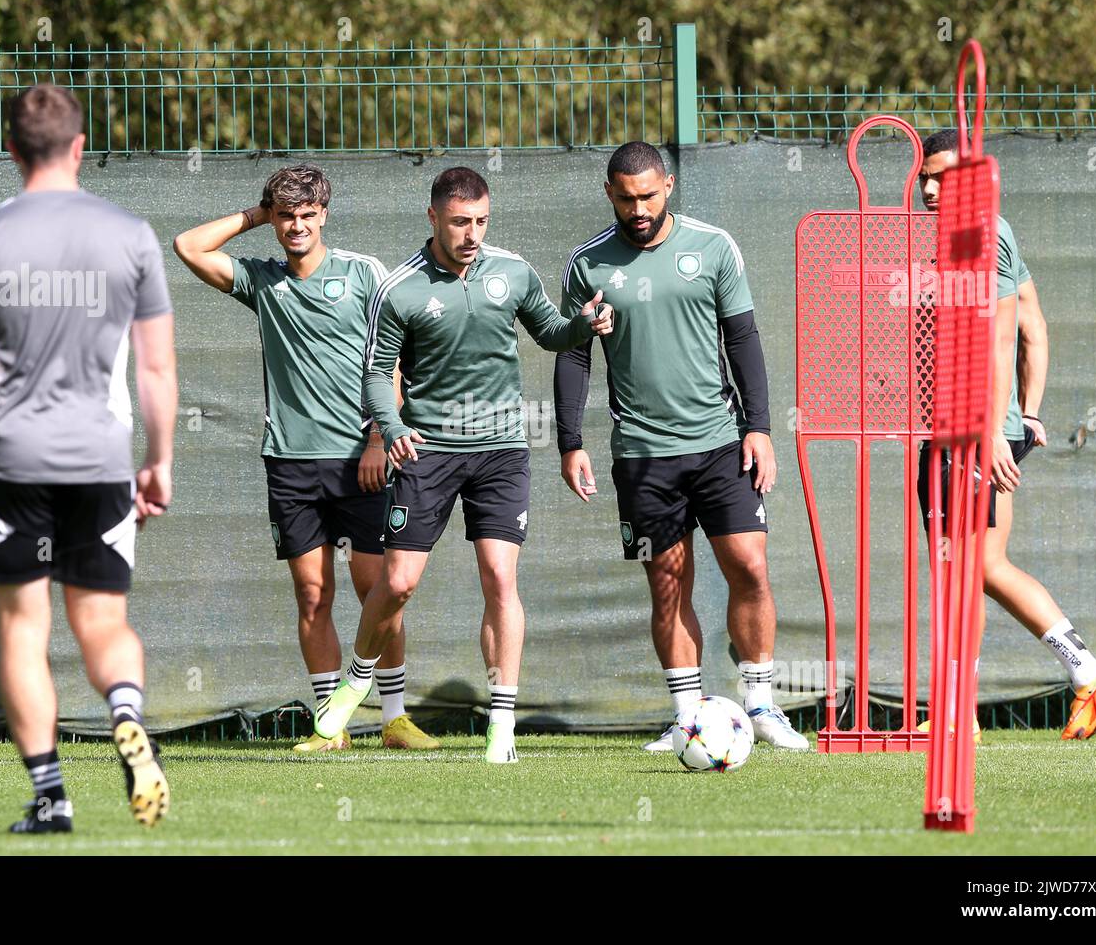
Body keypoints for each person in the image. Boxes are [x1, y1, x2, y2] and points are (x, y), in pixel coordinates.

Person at [0, 83, 175, 832]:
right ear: (79, 147)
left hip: (13, 465)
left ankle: (50, 798)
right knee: (101, 619)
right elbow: (156, 369)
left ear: (10, 152)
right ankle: (126, 715)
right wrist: (158, 460)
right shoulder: (131, 235)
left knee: (23, 632)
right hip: (100, 460)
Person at [312, 166, 614, 763]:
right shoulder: (397, 288)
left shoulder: (514, 272)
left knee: (501, 579)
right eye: (459, 222)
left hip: (502, 450)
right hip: (430, 452)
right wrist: (393, 428)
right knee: (397, 584)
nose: (471, 233)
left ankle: (501, 725)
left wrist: (584, 324)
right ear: (433, 218)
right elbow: (376, 375)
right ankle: (357, 678)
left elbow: (552, 333)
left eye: (480, 221)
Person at [554, 141, 809, 752]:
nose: (637, 208)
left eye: (647, 195)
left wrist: (760, 428)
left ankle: (762, 704)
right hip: (641, 453)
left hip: (721, 443)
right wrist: (570, 441)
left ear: (667, 186)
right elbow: (571, 352)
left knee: (750, 566)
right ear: (609, 193)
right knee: (667, 582)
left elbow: (743, 338)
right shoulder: (587, 264)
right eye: (624, 197)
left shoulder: (713, 246)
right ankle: (687, 716)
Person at [174, 165, 438, 751]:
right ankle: (331, 723)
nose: (296, 225)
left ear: (324, 214)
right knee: (313, 595)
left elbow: (393, 360)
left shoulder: (365, 274)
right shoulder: (262, 281)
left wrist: (378, 438)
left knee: (380, 590)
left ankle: (394, 716)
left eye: (305, 214)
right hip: (291, 463)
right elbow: (187, 245)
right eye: (285, 215)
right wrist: (255, 213)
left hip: (364, 456)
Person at [917, 128, 1096, 740]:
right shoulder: (981, 231)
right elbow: (1034, 323)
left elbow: (1003, 334)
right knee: (981, 564)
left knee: (969, 566)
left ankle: (959, 714)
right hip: (981, 427)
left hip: (970, 431)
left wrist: (989, 431)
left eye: (944, 176)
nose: (929, 188)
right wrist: (1027, 413)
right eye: (924, 176)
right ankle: (1086, 672)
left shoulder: (978, 233)